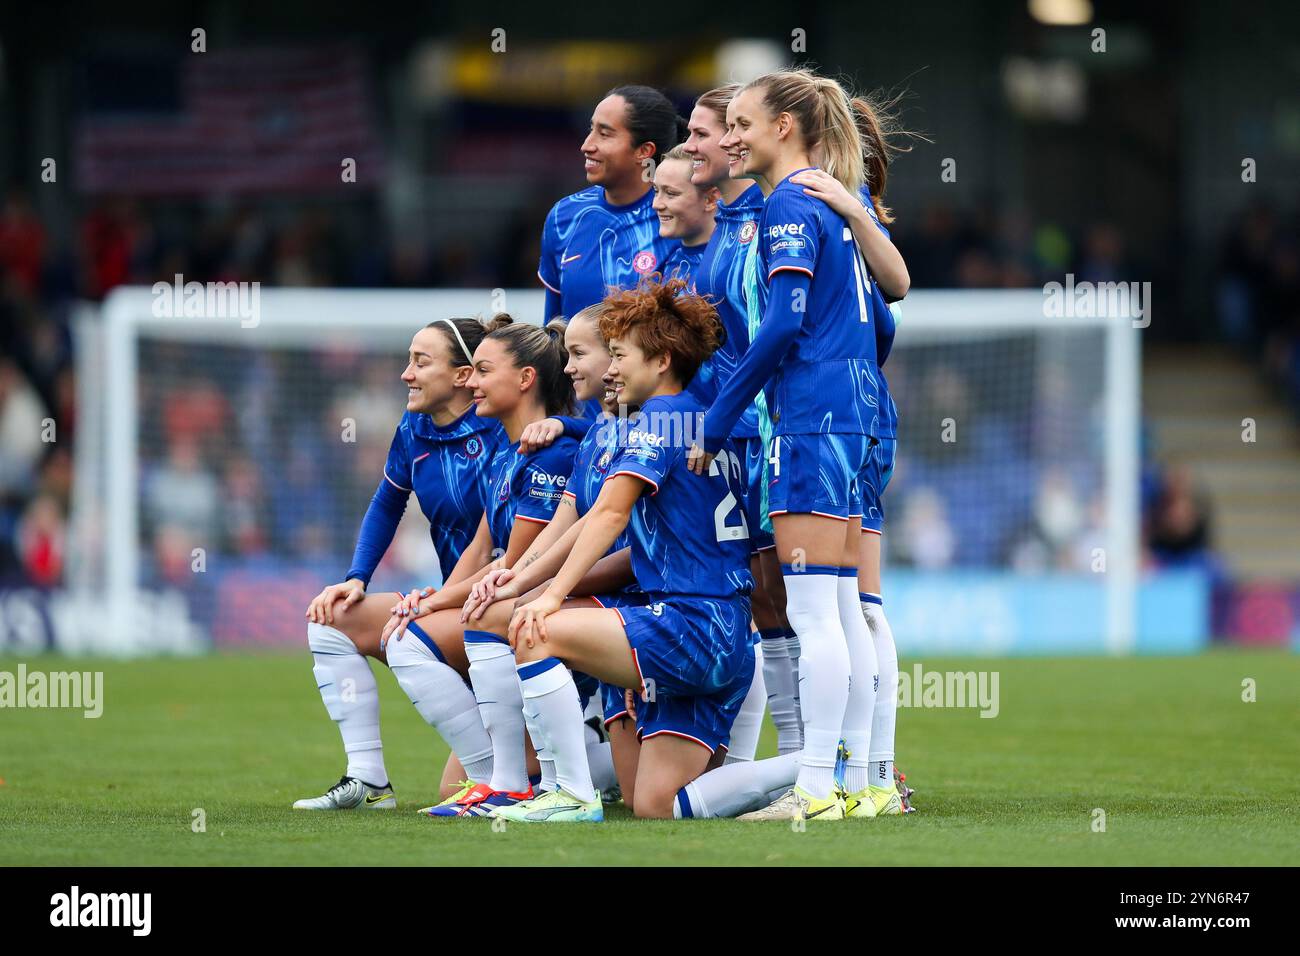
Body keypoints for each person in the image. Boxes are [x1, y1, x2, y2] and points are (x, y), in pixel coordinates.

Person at [480, 279, 755, 822]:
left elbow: (607, 514)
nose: (608, 369)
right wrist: (519, 578)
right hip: (724, 628)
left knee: (536, 630)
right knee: (653, 805)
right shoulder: (712, 416)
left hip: (689, 622)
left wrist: (548, 596)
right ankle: (818, 769)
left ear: (661, 361)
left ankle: (571, 796)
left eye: (620, 356)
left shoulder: (657, 418)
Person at [688, 68, 884, 820]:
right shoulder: (838, 201)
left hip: (811, 413)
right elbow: (887, 313)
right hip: (858, 407)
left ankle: (814, 786)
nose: (729, 137)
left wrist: (718, 415)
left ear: (784, 128)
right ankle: (856, 781)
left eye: (740, 122)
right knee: (841, 604)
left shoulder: (790, 205)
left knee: (812, 613)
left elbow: (781, 324)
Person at [295, 317, 508, 810]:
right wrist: (356, 578)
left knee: (409, 636)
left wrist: (436, 600)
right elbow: (387, 502)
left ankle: (500, 784)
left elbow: (495, 544)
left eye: (420, 361)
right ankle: (369, 782)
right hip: (456, 603)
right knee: (330, 622)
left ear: (462, 376)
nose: (404, 374)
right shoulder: (414, 428)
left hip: (506, 603)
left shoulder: (505, 427)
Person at [376, 319, 580, 815]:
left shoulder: (550, 454)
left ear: (526, 379)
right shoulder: (509, 453)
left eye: (483, 371)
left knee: (465, 620)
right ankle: (511, 777)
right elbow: (485, 549)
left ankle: (515, 779)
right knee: (410, 628)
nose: (472, 381)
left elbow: (519, 564)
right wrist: (432, 597)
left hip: (559, 602)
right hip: (528, 595)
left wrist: (461, 599)